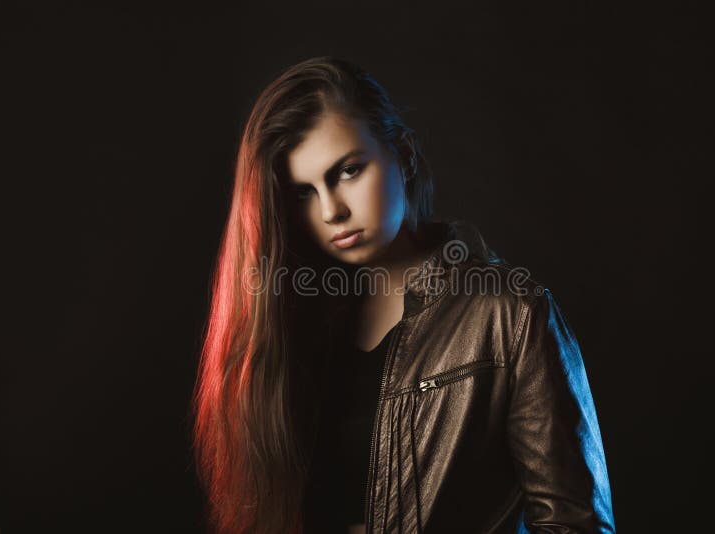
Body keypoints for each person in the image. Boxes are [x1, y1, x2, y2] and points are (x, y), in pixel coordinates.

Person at [192, 56, 616, 534]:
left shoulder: (511, 316)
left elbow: (575, 525)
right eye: (304, 193)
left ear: (405, 157)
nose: (331, 211)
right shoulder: (295, 321)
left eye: (348, 171)